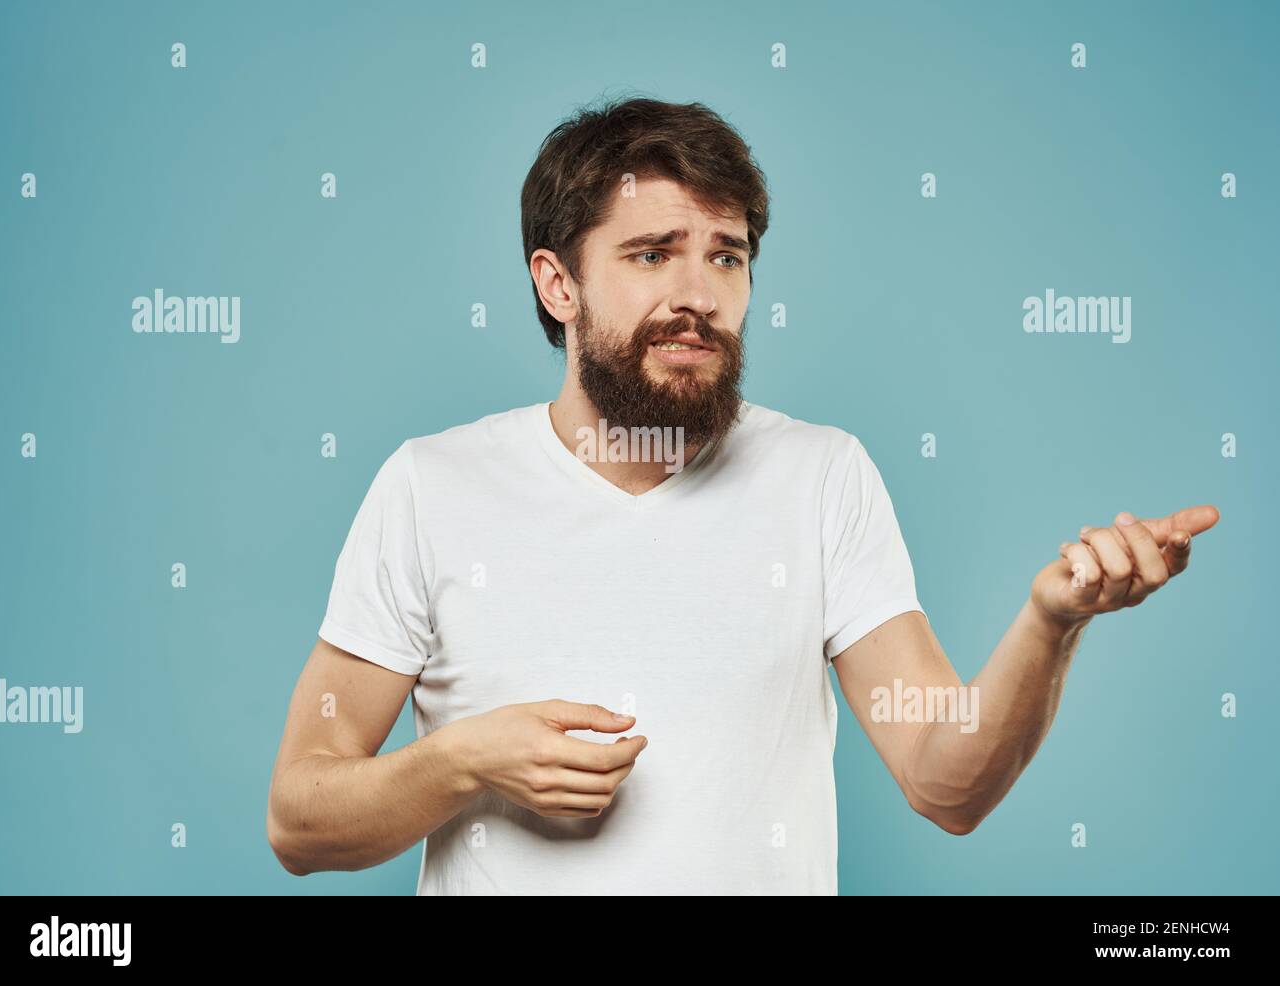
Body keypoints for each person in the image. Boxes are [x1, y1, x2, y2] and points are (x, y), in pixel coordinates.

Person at [266, 96, 1219, 894]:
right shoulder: (432, 488)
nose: (700, 293)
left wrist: (1049, 626)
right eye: (652, 254)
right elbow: (299, 816)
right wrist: (464, 762)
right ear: (557, 284)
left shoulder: (821, 477)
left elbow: (947, 782)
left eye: (727, 255)